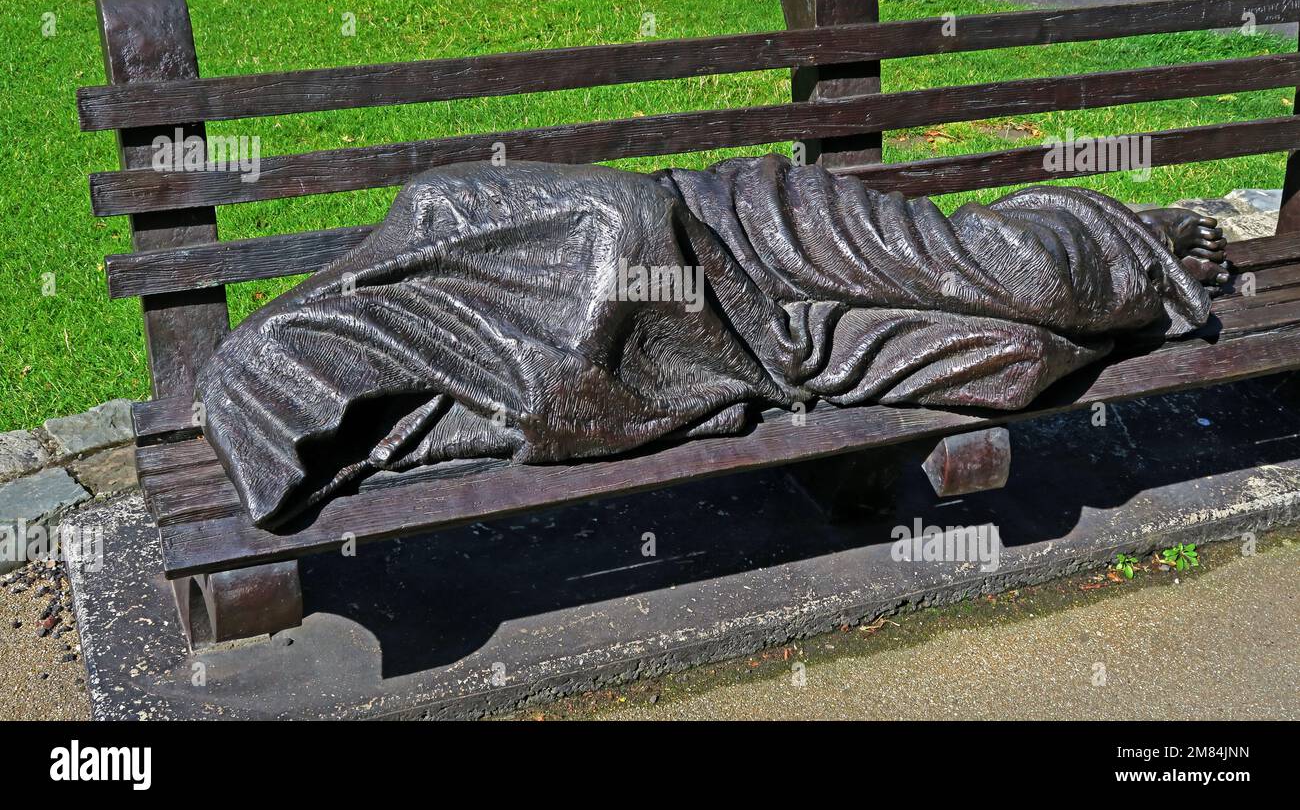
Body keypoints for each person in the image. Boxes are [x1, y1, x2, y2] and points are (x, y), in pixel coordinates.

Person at [196, 156, 1227, 529]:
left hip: (764, 226)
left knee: (1016, 277)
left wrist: (623, 335)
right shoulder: (434, 410)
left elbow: (628, 215)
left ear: (327, 341)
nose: (363, 442)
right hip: (781, 347)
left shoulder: (443, 216)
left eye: (332, 425)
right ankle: (1123, 273)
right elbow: (582, 411)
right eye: (342, 446)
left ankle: (1139, 232)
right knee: (1003, 367)